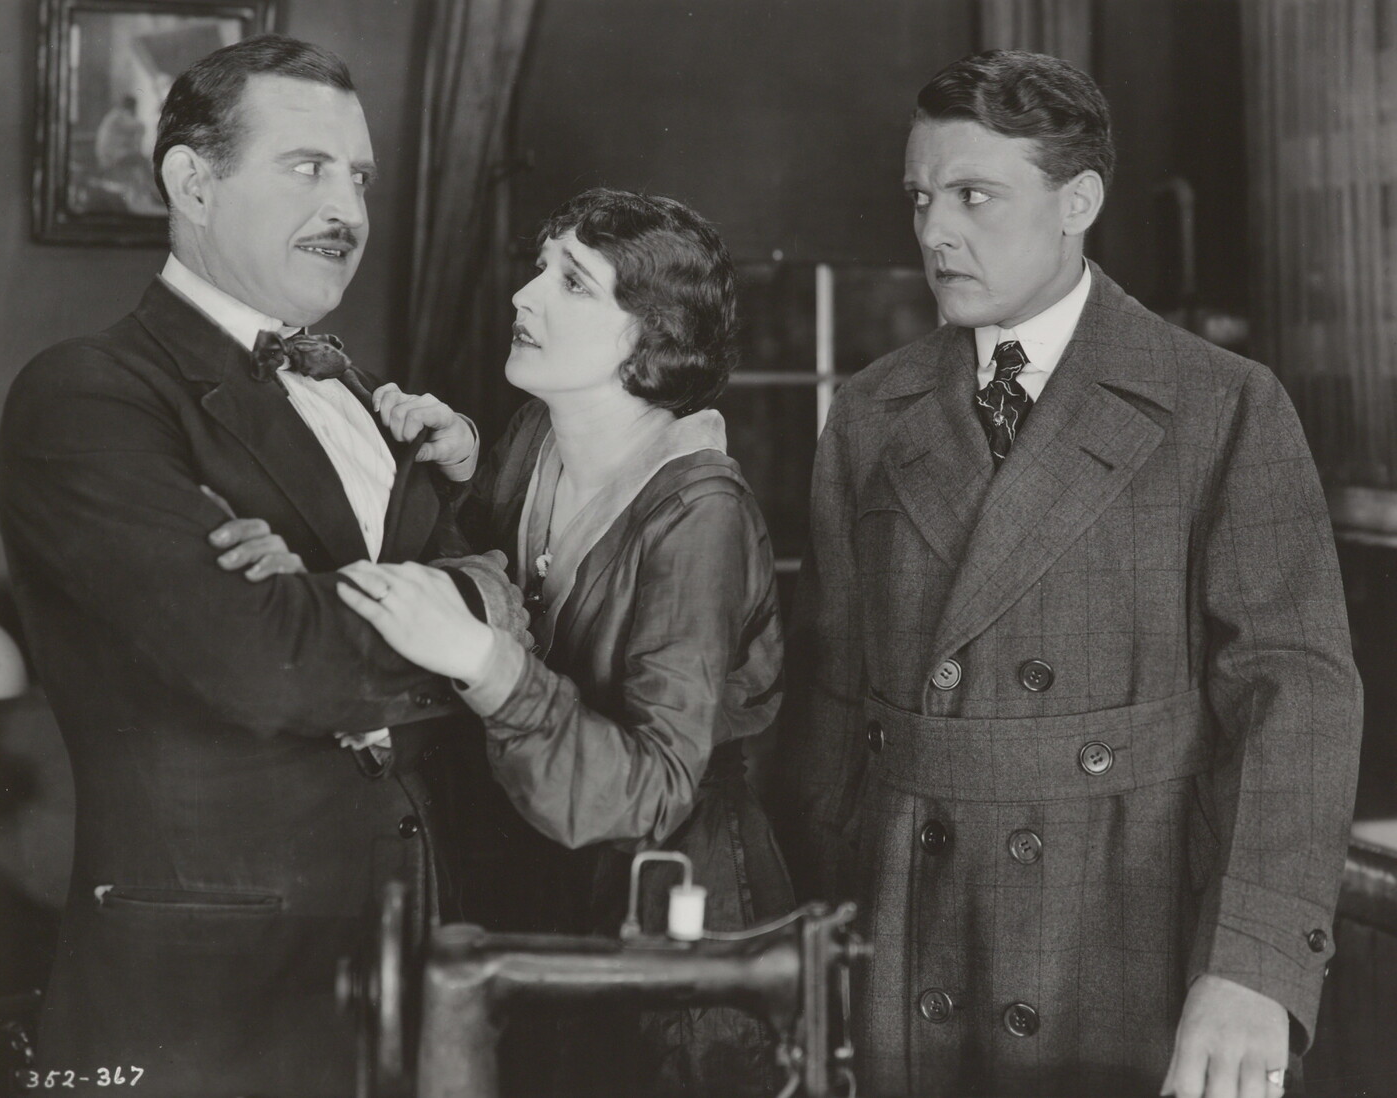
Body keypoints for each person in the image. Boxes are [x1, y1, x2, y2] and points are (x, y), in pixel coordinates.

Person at [778, 50, 1363, 1098]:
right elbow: (829, 709)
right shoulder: (869, 411)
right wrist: (803, 947)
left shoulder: (1219, 402)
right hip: (905, 922)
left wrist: (1251, 964)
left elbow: (1296, 696)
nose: (931, 230)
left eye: (971, 195)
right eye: (919, 197)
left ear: (1076, 201)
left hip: (1122, 920)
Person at [0, 35, 520, 1098]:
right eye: (306, 167)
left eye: (359, 176)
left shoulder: (367, 396)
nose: (349, 208)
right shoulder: (88, 395)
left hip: (411, 955)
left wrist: (323, 597)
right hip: (207, 1004)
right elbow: (261, 663)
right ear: (192, 181)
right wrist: (481, 606)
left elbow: (356, 623)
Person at [336, 188, 795, 1097]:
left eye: (573, 283)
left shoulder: (701, 515)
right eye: (541, 267)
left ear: (650, 339)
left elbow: (657, 786)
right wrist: (464, 469)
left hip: (675, 924)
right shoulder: (539, 432)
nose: (525, 296)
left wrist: (480, 661)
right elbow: (533, 587)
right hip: (546, 895)